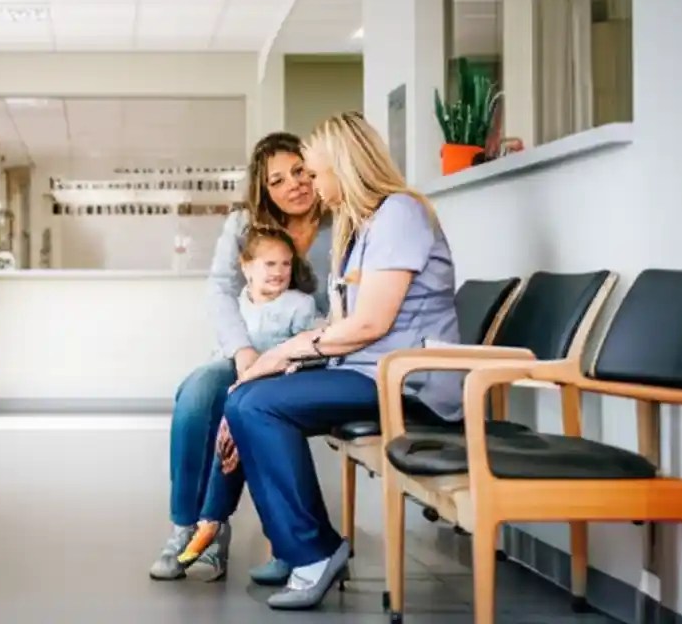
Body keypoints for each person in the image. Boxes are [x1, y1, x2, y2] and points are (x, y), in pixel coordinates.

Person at [220, 111, 461, 610]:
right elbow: (340, 324)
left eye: (313, 170)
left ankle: (313, 552)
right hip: (367, 371)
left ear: (342, 166)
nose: (310, 183)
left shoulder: (400, 213)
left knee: (259, 406)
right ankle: (295, 549)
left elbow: (369, 324)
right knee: (247, 400)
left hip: (408, 382)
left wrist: (283, 353)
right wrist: (262, 369)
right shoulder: (365, 225)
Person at [150, 132, 332, 583]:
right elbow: (220, 291)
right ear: (262, 189)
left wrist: (295, 353)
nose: (294, 184)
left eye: (300, 171)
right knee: (197, 394)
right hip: (245, 351)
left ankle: (226, 531)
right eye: (278, 179)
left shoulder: (339, 219)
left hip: (305, 358)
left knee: (250, 409)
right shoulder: (243, 224)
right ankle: (186, 529)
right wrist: (244, 353)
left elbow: (345, 306)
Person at [173, 225, 320, 567]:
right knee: (206, 407)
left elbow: (302, 353)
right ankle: (194, 524)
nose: (280, 272)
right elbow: (223, 351)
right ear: (246, 266)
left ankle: (212, 521)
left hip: (275, 380)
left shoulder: (300, 304)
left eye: (286, 265)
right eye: (270, 264)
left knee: (239, 428)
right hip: (238, 378)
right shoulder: (236, 306)